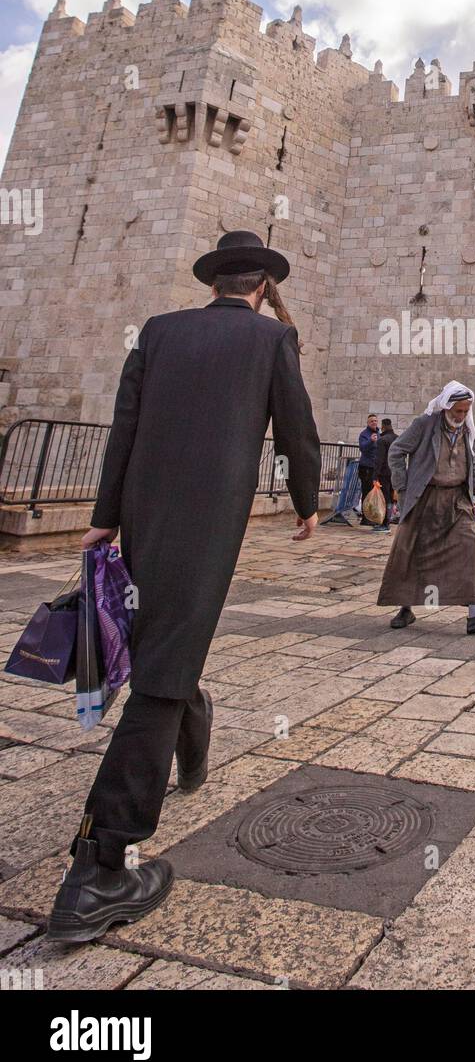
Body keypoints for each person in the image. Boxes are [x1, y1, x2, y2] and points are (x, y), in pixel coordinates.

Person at [47, 230, 321, 943]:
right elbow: (297, 428)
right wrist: (307, 502)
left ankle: (192, 717)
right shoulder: (270, 342)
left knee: (169, 641)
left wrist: (104, 519)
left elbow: (123, 431)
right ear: (261, 285)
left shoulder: (160, 334)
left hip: (141, 513)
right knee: (164, 669)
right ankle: (102, 869)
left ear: (216, 283)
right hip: (207, 523)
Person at [377, 381, 475, 635]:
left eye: (465, 411)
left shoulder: (466, 429)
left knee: (468, 546)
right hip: (425, 498)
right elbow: (396, 451)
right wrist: (402, 486)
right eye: (457, 411)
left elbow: (470, 459)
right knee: (413, 552)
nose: (461, 416)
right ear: (447, 406)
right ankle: (406, 608)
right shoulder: (424, 425)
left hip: (457, 500)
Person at [372, 417, 397, 531]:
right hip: (394, 472)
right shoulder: (397, 439)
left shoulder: (382, 440)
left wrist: (375, 476)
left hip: (384, 473)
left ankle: (385, 523)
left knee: (385, 498)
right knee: (391, 498)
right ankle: (387, 521)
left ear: (382, 427)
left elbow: (379, 460)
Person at [357, 414, 379, 524]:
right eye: (371, 421)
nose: (374, 423)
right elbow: (362, 448)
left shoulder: (379, 433)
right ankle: (365, 518)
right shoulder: (364, 434)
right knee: (366, 492)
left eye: (375, 421)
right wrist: (370, 441)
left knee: (374, 493)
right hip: (366, 467)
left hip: (375, 468)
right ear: (368, 423)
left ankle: (372, 516)